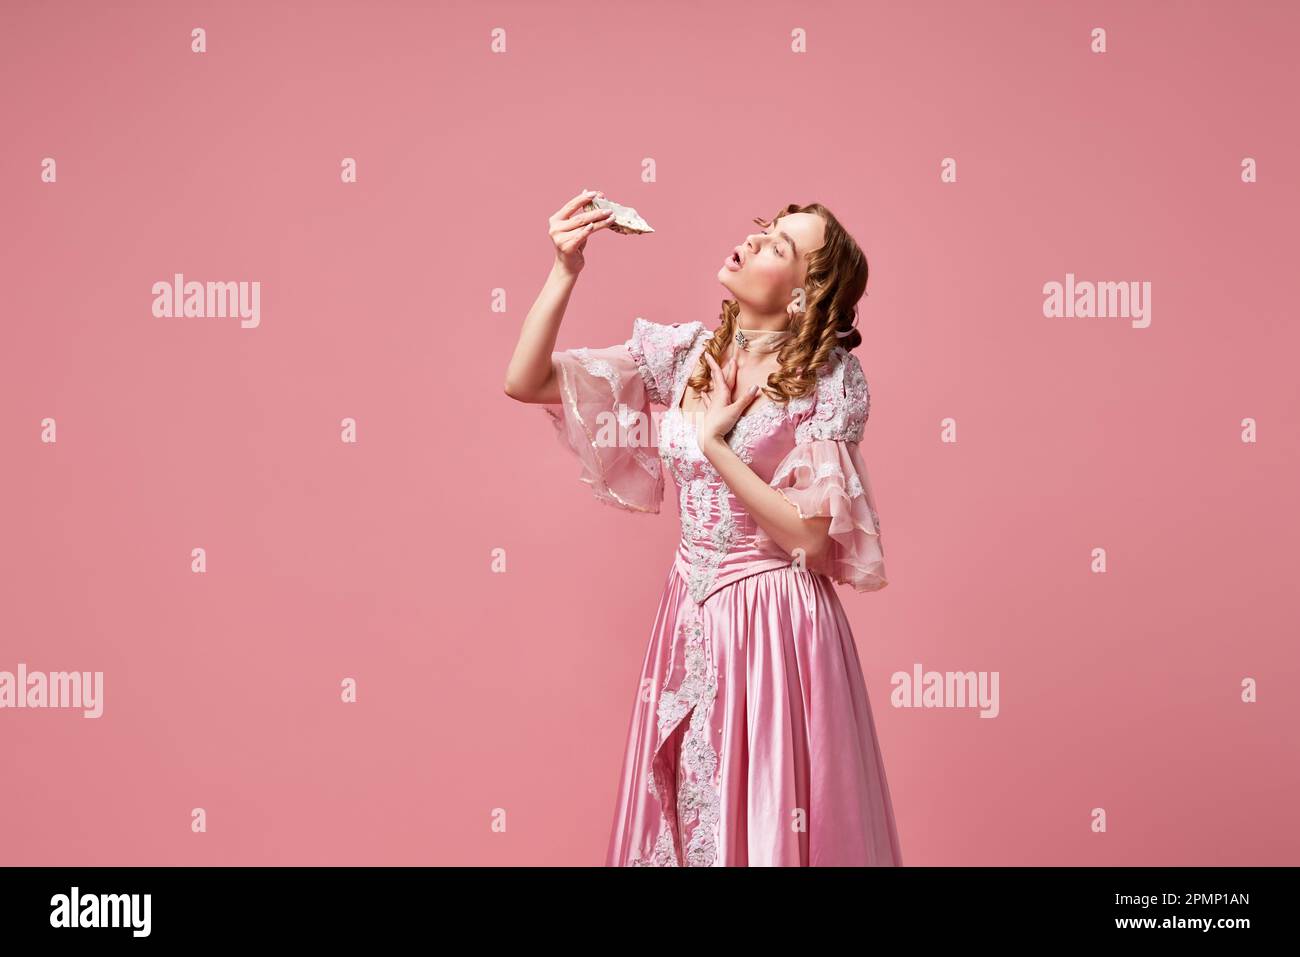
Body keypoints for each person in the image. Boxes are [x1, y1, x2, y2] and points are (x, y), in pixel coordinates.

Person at [503, 189, 901, 866]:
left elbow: (809, 540)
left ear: (807, 294)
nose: (752, 241)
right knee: (692, 812)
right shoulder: (689, 354)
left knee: (773, 816)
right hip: (689, 612)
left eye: (779, 245)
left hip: (778, 626)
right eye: (764, 229)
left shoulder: (828, 382)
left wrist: (717, 445)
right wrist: (566, 268)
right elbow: (527, 379)